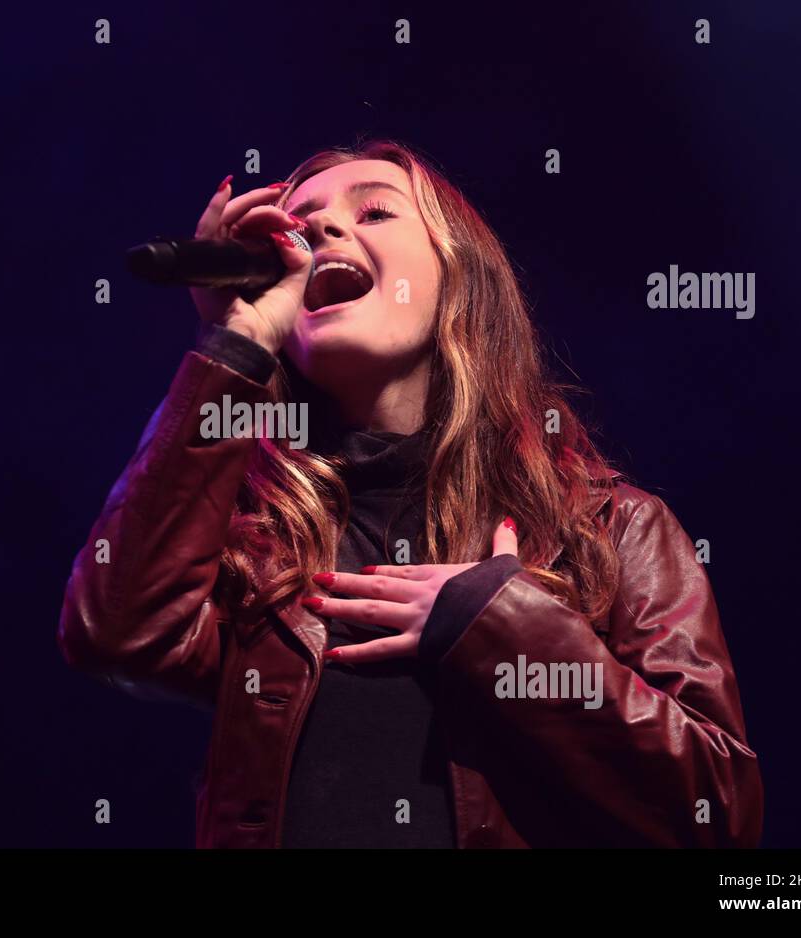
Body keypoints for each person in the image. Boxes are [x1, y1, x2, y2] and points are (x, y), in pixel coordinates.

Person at [58, 139, 763, 848]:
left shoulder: (609, 526)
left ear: (460, 277)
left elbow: (715, 813)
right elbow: (117, 636)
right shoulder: (253, 530)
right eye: (298, 223)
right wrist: (235, 345)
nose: (323, 230)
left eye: (375, 210)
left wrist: (501, 627)